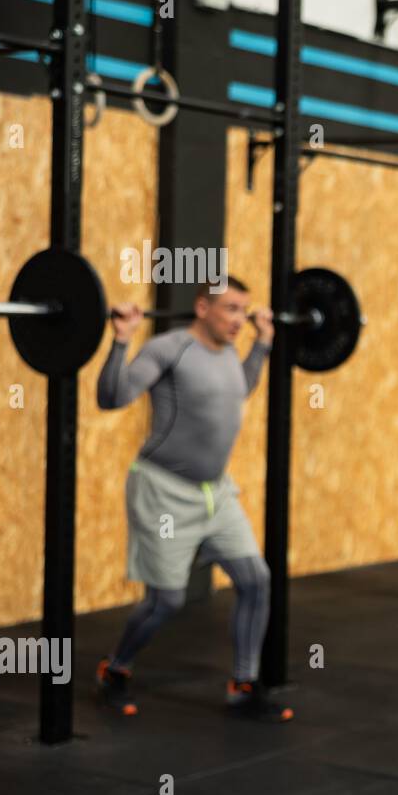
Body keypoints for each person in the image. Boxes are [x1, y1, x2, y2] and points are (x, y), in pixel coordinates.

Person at [92, 277, 293, 723]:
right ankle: (115, 669)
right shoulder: (169, 348)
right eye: (230, 310)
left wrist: (262, 345)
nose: (239, 319)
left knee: (256, 579)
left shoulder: (229, 354)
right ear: (202, 308)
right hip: (163, 489)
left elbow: (239, 389)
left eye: (244, 310)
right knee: (166, 601)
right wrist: (121, 341)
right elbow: (112, 397)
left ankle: (243, 685)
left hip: (216, 493)